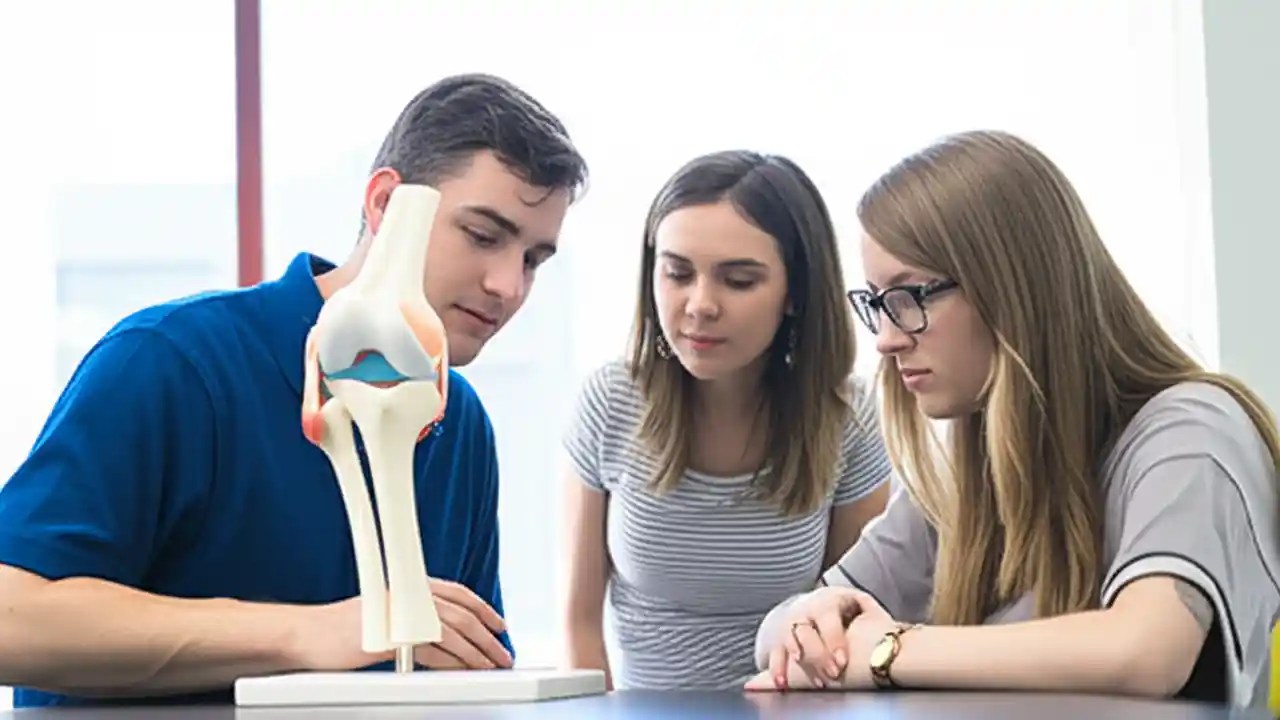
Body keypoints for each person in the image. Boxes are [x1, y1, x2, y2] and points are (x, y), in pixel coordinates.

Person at [0, 73, 588, 708]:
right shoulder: (169, 361)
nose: (508, 286)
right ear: (385, 205)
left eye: (533, 260)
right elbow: (11, 621)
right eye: (482, 235)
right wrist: (309, 633)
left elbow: (462, 676)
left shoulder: (460, 421)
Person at [745, 130, 1280, 709]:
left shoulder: (1193, 429)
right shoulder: (968, 468)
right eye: (877, 303)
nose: (887, 339)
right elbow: (777, 635)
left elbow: (1146, 651)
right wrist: (807, 621)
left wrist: (888, 651)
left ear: (1015, 288)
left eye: (910, 296)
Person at [561, 150, 893, 691]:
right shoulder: (611, 402)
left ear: (795, 293)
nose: (700, 305)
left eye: (738, 281)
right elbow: (579, 629)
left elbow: (853, 622)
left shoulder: (847, 417)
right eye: (677, 273)